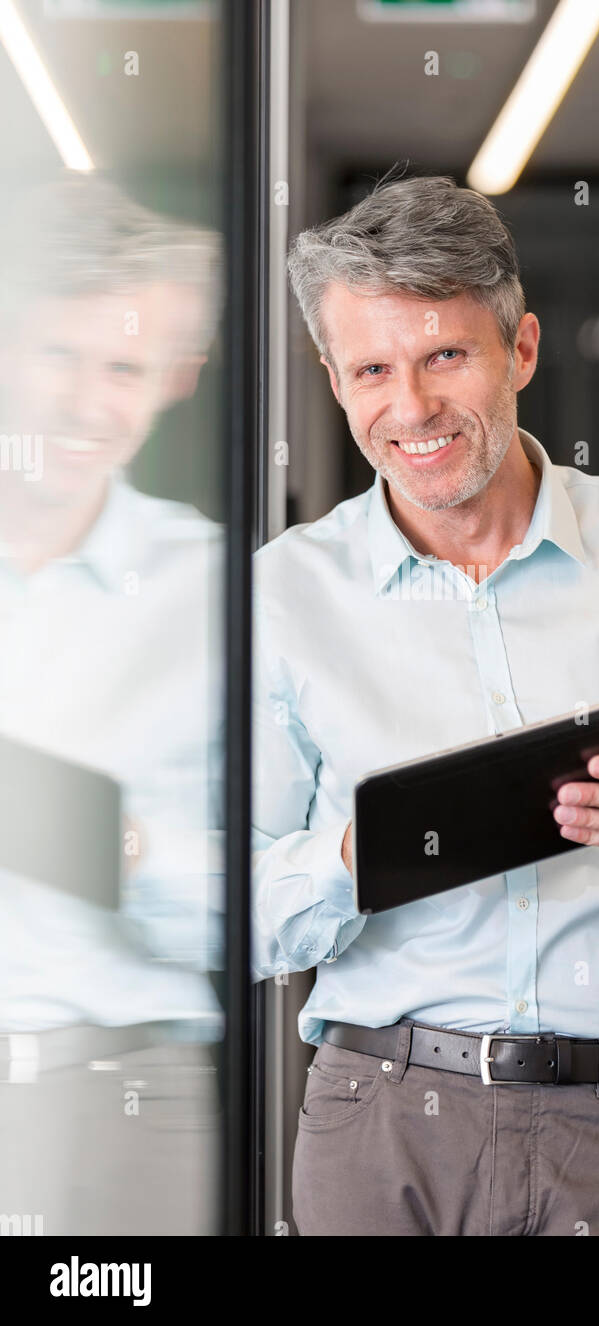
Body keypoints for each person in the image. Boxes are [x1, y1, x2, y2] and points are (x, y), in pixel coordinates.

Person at [251, 172, 599, 1237]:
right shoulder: (286, 593)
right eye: (372, 368)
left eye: (444, 357)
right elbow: (229, 910)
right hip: (378, 1121)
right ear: (335, 382)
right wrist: (348, 858)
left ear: (518, 350)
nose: (410, 407)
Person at [0, 172, 225, 1235]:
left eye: (124, 366)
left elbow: (267, 902)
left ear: (174, 378)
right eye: (55, 353)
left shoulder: (218, 592)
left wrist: (116, 846)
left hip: (131, 1083)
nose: (87, 403)